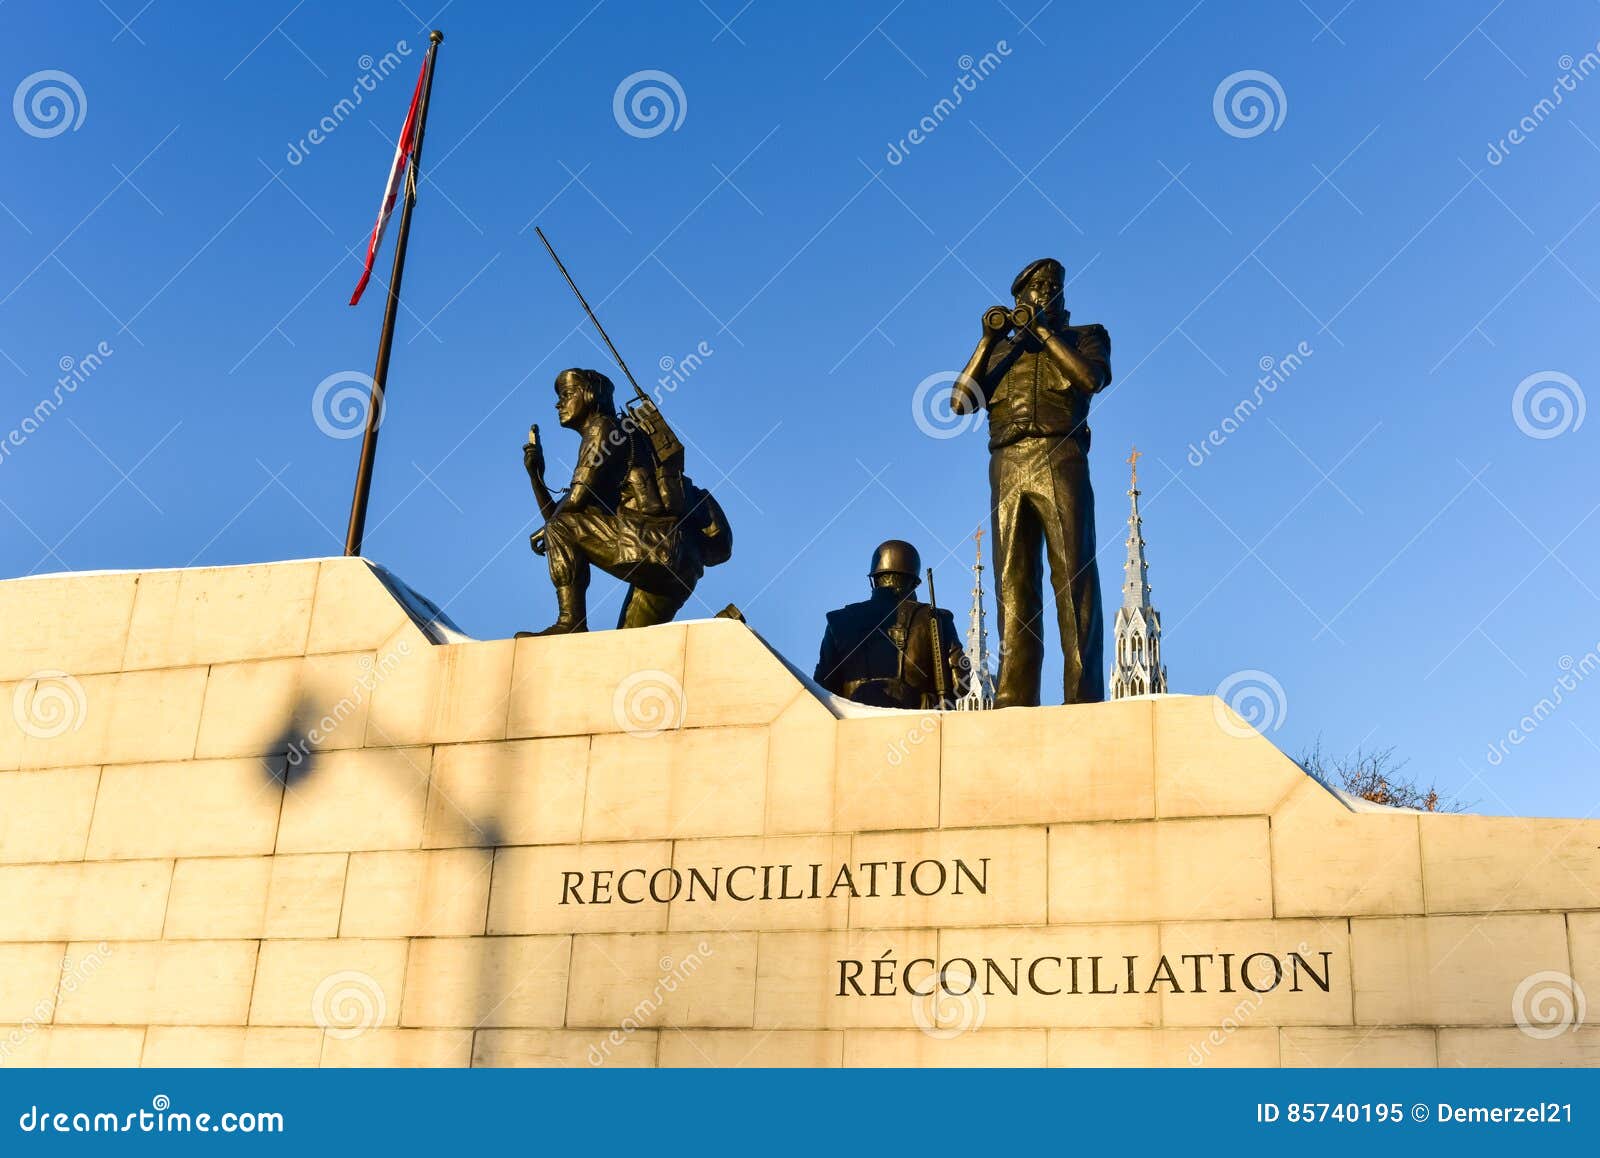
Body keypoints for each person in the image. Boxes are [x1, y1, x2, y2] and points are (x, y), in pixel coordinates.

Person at [949, 256, 1110, 706]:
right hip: (1008, 464)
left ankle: (1082, 695)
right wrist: (987, 341)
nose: (1047, 294)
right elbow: (959, 402)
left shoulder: (1085, 337)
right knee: (1012, 581)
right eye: (1037, 289)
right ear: (1019, 297)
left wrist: (1042, 332)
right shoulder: (999, 353)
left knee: (1073, 576)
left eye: (1054, 287)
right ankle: (1013, 696)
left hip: (1061, 457)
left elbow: (1089, 379)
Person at [521, 367, 727, 634]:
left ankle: (571, 622)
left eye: (567, 393)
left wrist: (549, 529)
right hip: (681, 564)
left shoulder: (602, 428)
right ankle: (716, 632)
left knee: (560, 529)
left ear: (590, 395)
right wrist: (536, 477)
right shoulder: (626, 434)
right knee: (627, 647)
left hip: (654, 547)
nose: (558, 403)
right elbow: (563, 517)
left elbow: (571, 507)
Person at [814, 540, 968, 710]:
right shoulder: (935, 619)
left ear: (874, 580)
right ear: (914, 583)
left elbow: (822, 689)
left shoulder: (839, 621)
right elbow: (962, 683)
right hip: (919, 728)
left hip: (853, 730)